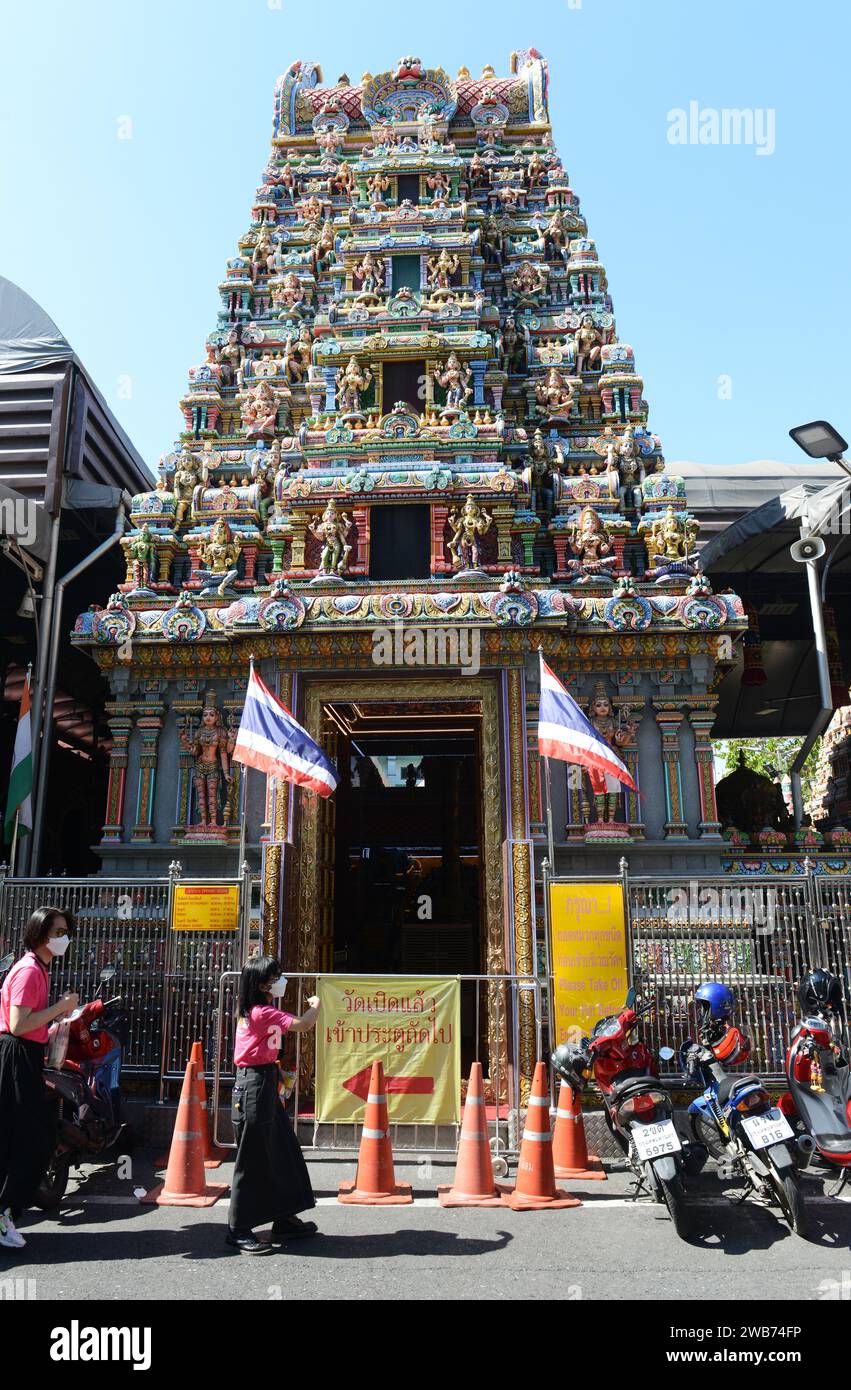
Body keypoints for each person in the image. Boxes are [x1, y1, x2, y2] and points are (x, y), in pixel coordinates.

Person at [227, 956, 320, 1255]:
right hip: (254, 1086)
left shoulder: (254, 1011)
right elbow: (304, 1025)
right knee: (252, 1159)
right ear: (261, 984)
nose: (281, 980)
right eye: (274, 977)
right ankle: (239, 1229)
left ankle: (283, 1217)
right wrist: (317, 1004)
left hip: (264, 1080)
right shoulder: (262, 1012)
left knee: (281, 1150)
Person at [0, 907, 79, 1250]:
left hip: (25, 1056)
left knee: (25, 1137)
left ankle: (7, 1213)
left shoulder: (39, 968)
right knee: (27, 1139)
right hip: (16, 1056)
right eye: (57, 931)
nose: (64, 938)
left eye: (65, 931)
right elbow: (18, 1024)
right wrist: (60, 1009)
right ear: (40, 934)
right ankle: (4, 1213)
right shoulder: (30, 970)